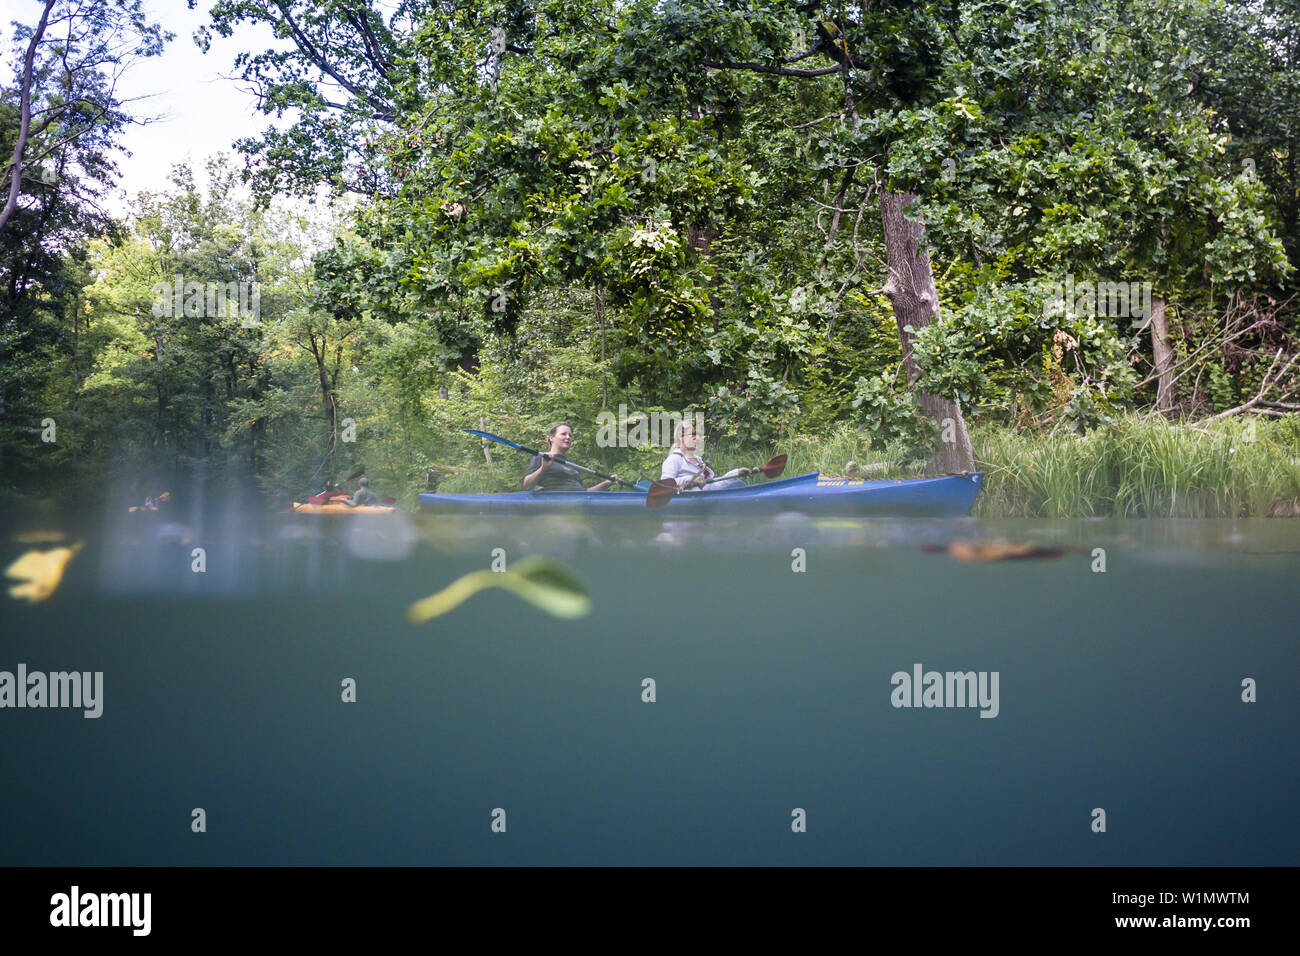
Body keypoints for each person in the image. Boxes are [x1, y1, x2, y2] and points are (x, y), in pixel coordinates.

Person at [522, 422, 621, 491]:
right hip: (554, 510)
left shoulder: (572, 465)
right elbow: (526, 485)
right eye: (563, 434)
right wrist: (544, 468)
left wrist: (607, 483)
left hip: (576, 508)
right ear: (551, 438)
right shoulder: (541, 457)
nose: (568, 437)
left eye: (570, 435)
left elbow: (583, 493)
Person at [660, 420, 750, 491]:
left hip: (704, 496)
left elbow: (712, 485)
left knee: (738, 483)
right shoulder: (674, 459)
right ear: (680, 436)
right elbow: (664, 484)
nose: (698, 439)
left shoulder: (698, 460)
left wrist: (735, 473)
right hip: (689, 499)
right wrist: (691, 479)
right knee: (738, 485)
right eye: (693, 435)